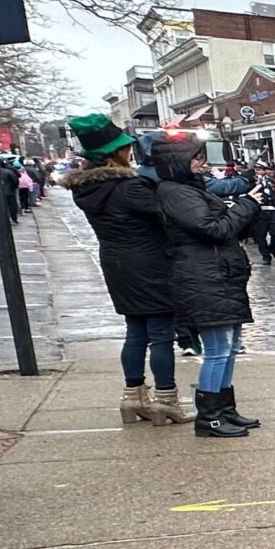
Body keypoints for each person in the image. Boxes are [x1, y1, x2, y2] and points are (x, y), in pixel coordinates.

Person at [67, 114, 186, 427]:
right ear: (114, 153)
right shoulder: (130, 189)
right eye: (125, 148)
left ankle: (132, 397)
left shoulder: (88, 189)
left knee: (135, 331)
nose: (130, 152)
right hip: (149, 264)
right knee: (161, 334)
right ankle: (166, 399)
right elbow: (168, 215)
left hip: (117, 264)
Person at [151, 135, 262, 438]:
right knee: (217, 349)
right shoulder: (177, 193)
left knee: (228, 348)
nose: (201, 164)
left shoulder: (188, 190)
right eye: (196, 158)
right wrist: (246, 205)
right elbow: (212, 229)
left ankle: (225, 409)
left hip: (217, 275)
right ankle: (210, 417)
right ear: (179, 162)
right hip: (203, 278)